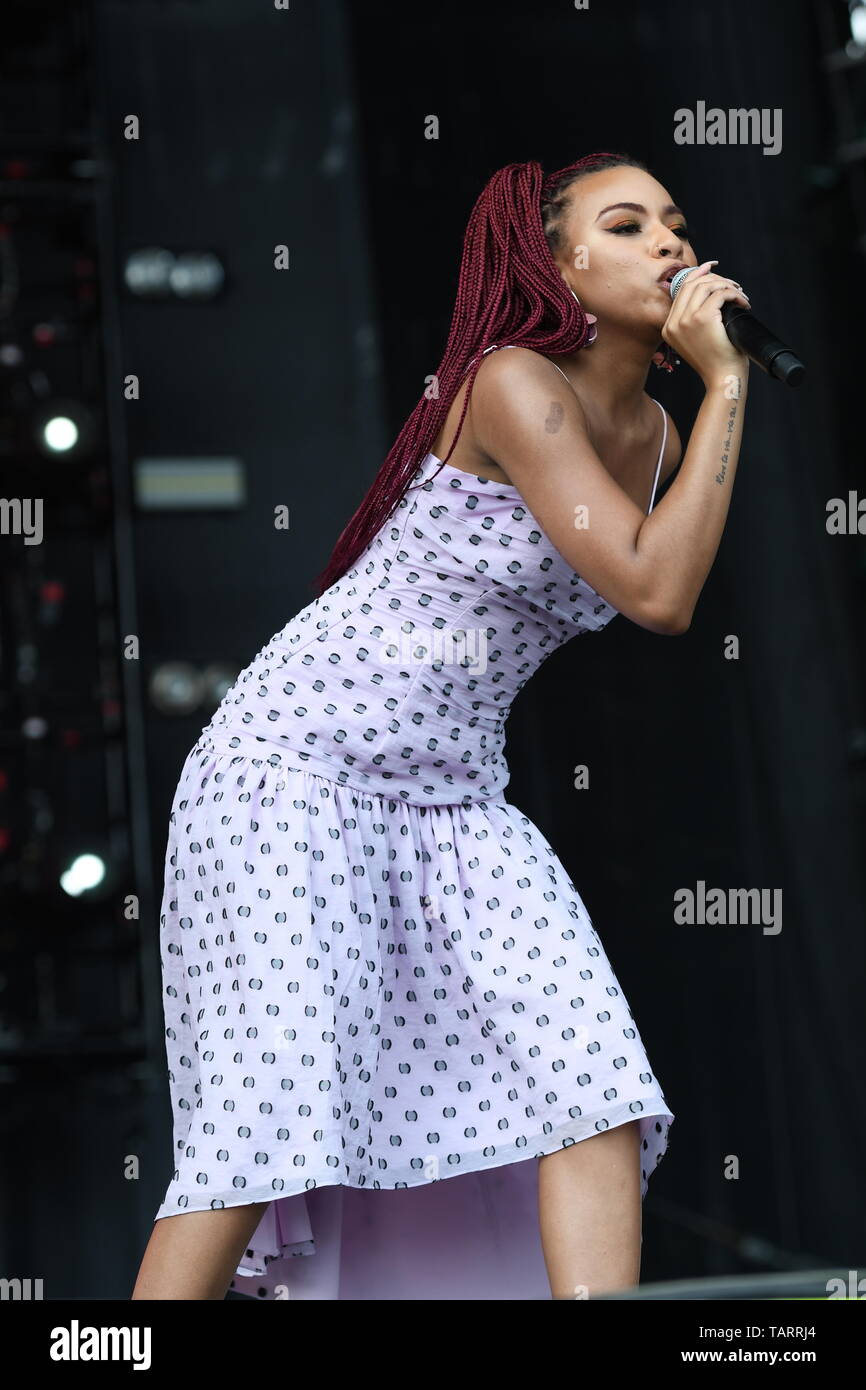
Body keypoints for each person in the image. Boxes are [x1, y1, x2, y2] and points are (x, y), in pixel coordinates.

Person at [132, 152, 750, 1302]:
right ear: (553, 261)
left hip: (456, 800)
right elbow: (652, 593)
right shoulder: (517, 383)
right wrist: (725, 388)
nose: (668, 244)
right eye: (626, 225)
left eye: (675, 222)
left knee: (592, 1088)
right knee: (267, 1121)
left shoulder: (660, 432)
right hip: (294, 772)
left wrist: (713, 397)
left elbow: (666, 585)